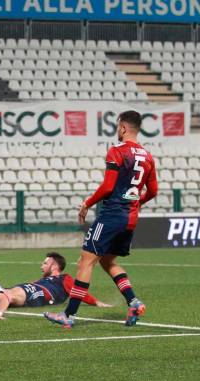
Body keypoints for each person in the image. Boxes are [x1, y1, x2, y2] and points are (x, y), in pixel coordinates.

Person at [45, 110, 158, 328]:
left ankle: (68, 315)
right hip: (130, 219)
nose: (117, 130)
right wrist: (134, 205)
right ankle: (133, 302)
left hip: (112, 215)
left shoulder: (117, 151)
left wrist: (87, 203)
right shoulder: (148, 157)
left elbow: (108, 186)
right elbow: (153, 191)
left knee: (85, 262)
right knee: (108, 261)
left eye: (118, 126)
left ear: (123, 127)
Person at [0, 252, 112, 310]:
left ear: (55, 266)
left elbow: (78, 291)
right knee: (0, 293)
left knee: (10, 295)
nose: (41, 266)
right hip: (31, 288)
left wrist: (96, 302)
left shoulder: (64, 278)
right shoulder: (43, 279)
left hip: (40, 293)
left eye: (45, 263)